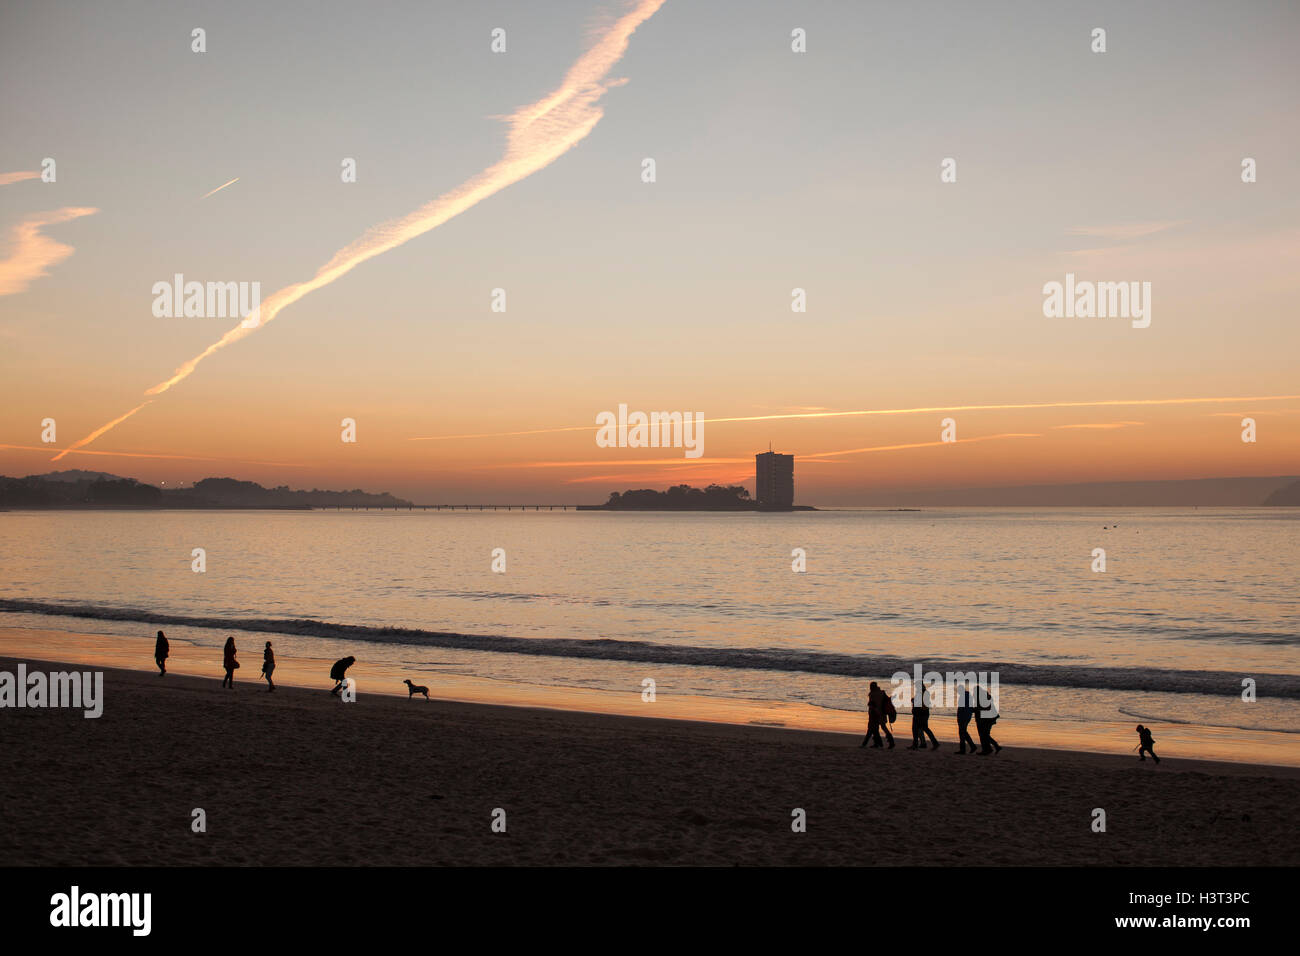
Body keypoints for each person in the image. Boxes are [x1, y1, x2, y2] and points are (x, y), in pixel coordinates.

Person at [860, 681, 895, 749]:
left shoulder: (872, 694)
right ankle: (890, 742)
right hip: (882, 714)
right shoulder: (882, 693)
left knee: (871, 729)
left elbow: (871, 705)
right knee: (882, 728)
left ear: (871, 687)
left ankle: (868, 744)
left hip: (874, 714)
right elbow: (887, 701)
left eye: (870, 687)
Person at [909, 682, 939, 750]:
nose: (916, 687)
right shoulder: (925, 692)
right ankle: (928, 743)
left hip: (920, 714)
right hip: (925, 713)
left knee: (915, 729)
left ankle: (916, 744)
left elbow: (918, 703)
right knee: (924, 728)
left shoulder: (920, 693)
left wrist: (913, 700)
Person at [974, 684, 1001, 755]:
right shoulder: (984, 697)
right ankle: (993, 747)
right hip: (989, 718)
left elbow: (982, 709)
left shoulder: (981, 698)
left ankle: (987, 749)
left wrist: (974, 710)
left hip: (986, 719)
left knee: (983, 735)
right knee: (985, 734)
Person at [955, 682, 978, 754]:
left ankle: (963, 749)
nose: (958, 692)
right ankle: (972, 746)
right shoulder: (968, 695)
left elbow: (962, 709)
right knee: (964, 732)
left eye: (958, 691)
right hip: (967, 716)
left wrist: (959, 718)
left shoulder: (963, 696)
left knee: (962, 732)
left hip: (963, 717)